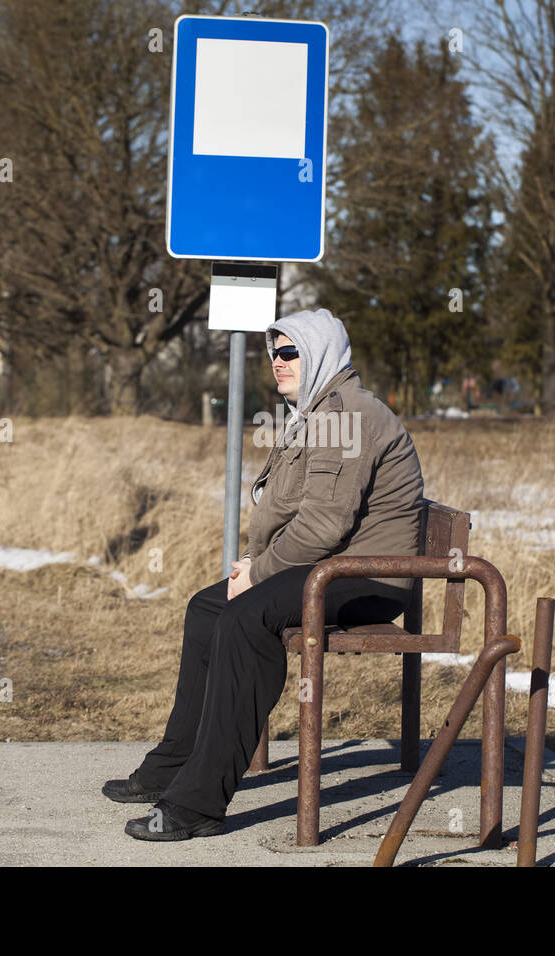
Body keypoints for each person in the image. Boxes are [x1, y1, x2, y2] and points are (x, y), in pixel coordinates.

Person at [100, 308, 426, 841]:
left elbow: (324, 523)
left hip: (369, 578)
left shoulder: (346, 415)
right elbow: (295, 510)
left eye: (289, 351)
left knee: (245, 618)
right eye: (272, 352)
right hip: (336, 567)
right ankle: (174, 763)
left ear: (319, 353)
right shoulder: (317, 412)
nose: (277, 362)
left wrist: (258, 574)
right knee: (208, 608)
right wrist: (257, 566)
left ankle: (199, 804)